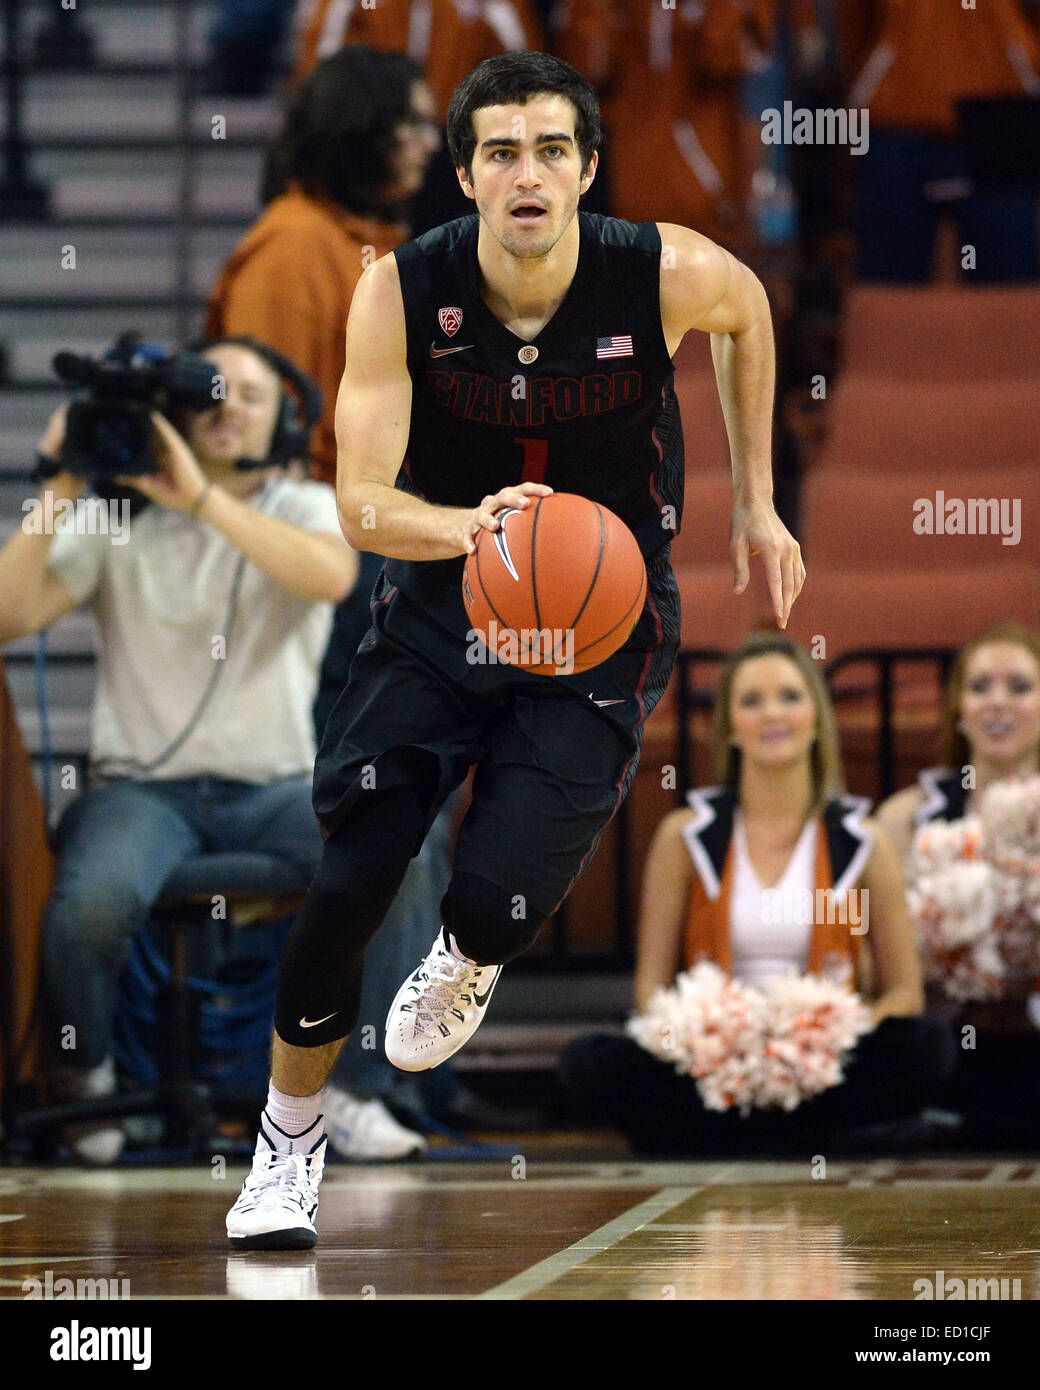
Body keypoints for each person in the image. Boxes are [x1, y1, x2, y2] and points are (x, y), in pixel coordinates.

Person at [225, 49, 804, 1250]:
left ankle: (472, 952)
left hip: (597, 625)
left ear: (587, 170)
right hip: (441, 615)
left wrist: (755, 500)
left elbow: (747, 310)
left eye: (551, 150)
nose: (527, 172)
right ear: (465, 175)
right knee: (346, 883)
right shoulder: (397, 289)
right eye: (501, 151)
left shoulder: (662, 271)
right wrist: (469, 527)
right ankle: (285, 1143)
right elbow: (361, 506)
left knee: (491, 901)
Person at [208, 47, 477, 1157]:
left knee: (407, 818)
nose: (426, 142)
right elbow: (261, 442)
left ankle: (387, 1076)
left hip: (385, 549)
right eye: (410, 123)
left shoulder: (362, 245)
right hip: (338, 558)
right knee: (377, 823)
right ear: (357, 127)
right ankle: (335, 1084)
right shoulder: (291, 248)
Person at [0, 338, 356, 1163]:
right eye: (212, 393)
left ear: (287, 417)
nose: (228, 408)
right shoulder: (116, 518)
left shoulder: (301, 504)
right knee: (88, 905)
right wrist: (58, 482)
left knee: (396, 848)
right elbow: (10, 615)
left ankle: (360, 1091)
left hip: (274, 787)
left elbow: (329, 578)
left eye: (252, 396)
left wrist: (202, 502)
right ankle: (87, 1083)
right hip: (145, 794)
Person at [559, 632, 954, 1155]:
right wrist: (720, 1044)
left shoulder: (863, 839)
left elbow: (905, 992)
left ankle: (730, 1138)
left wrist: (827, 1038)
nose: (773, 713)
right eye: (751, 700)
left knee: (925, 1048)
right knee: (590, 1061)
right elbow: (651, 990)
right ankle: (805, 1135)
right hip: (718, 1062)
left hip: (824, 1061)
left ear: (817, 717)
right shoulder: (684, 835)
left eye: (790, 696)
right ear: (730, 728)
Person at [876, 621, 1040, 1143]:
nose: (998, 703)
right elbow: (868, 954)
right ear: (958, 710)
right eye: (979, 687)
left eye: (1018, 687)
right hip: (947, 1046)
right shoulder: (905, 817)